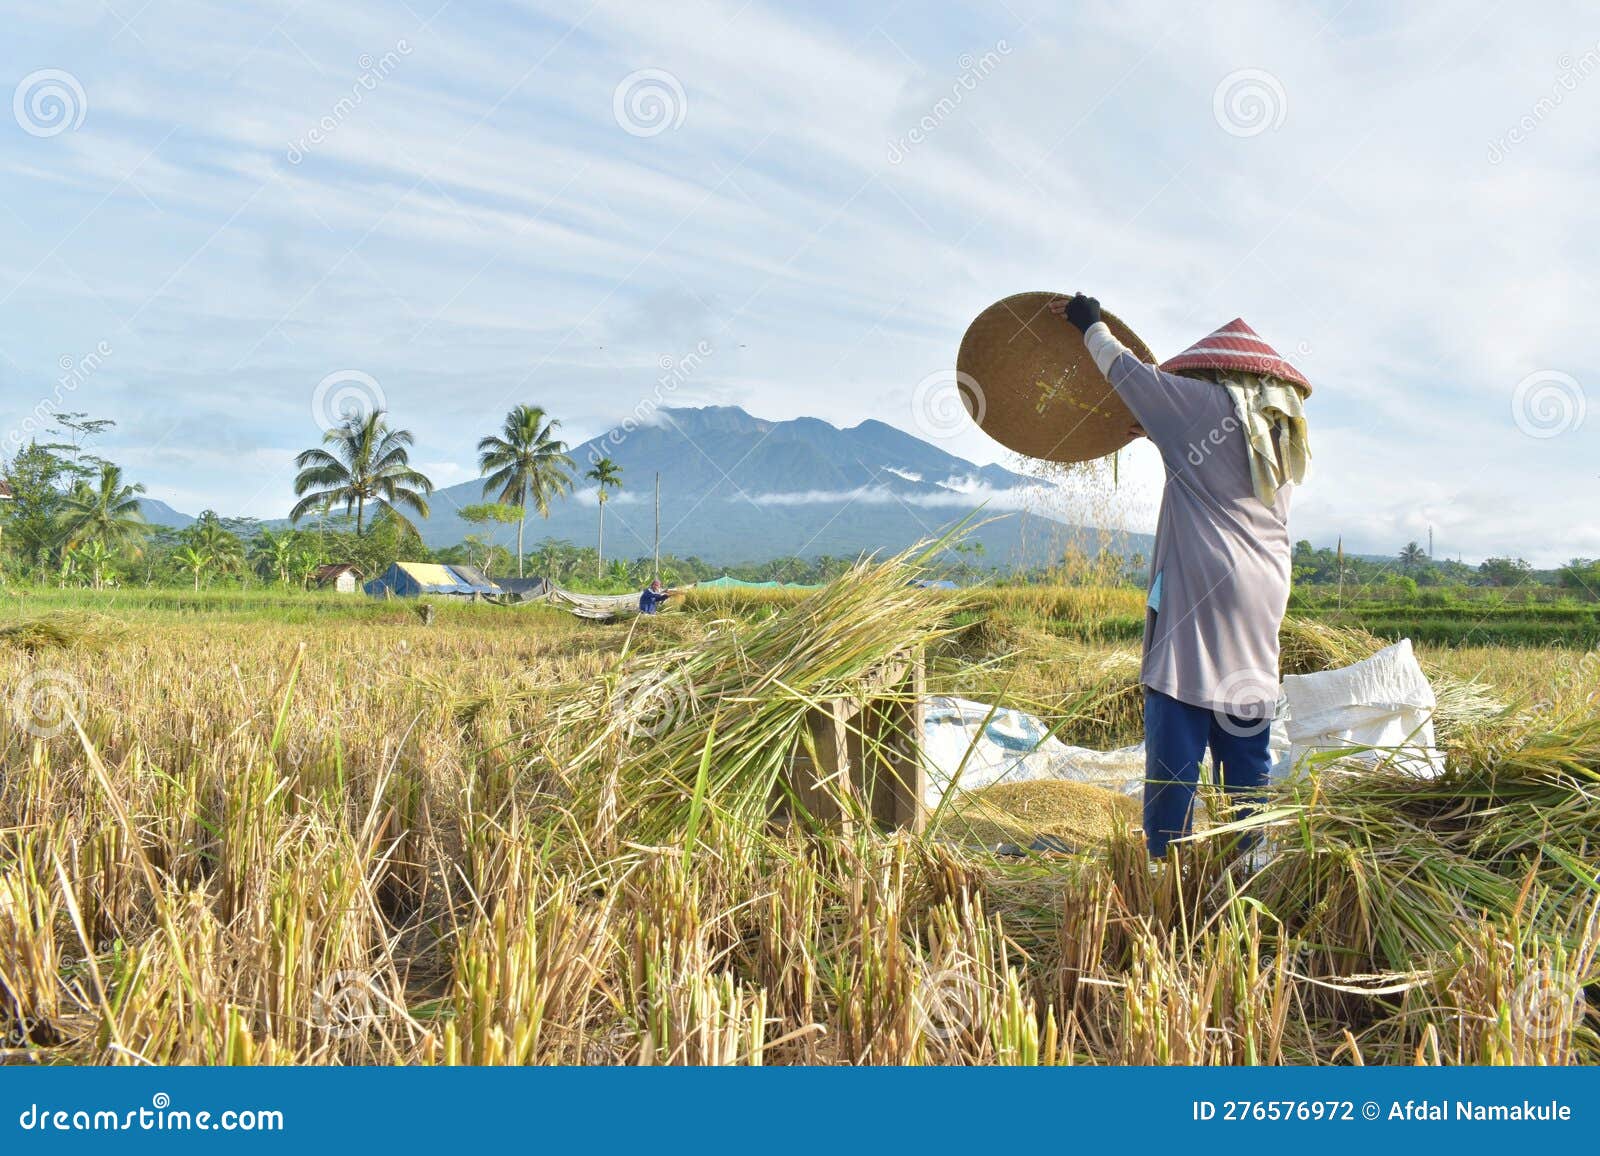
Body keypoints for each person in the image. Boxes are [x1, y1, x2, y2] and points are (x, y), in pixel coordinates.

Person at [1049, 293, 1312, 861]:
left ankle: (1163, 861)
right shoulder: (1276, 432)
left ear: (1214, 373)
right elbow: (1206, 457)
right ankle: (1251, 859)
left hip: (1202, 597)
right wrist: (1160, 433)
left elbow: (1127, 372)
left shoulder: (1200, 404)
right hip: (1263, 592)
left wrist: (1088, 322)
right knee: (1247, 753)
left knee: (1177, 729)